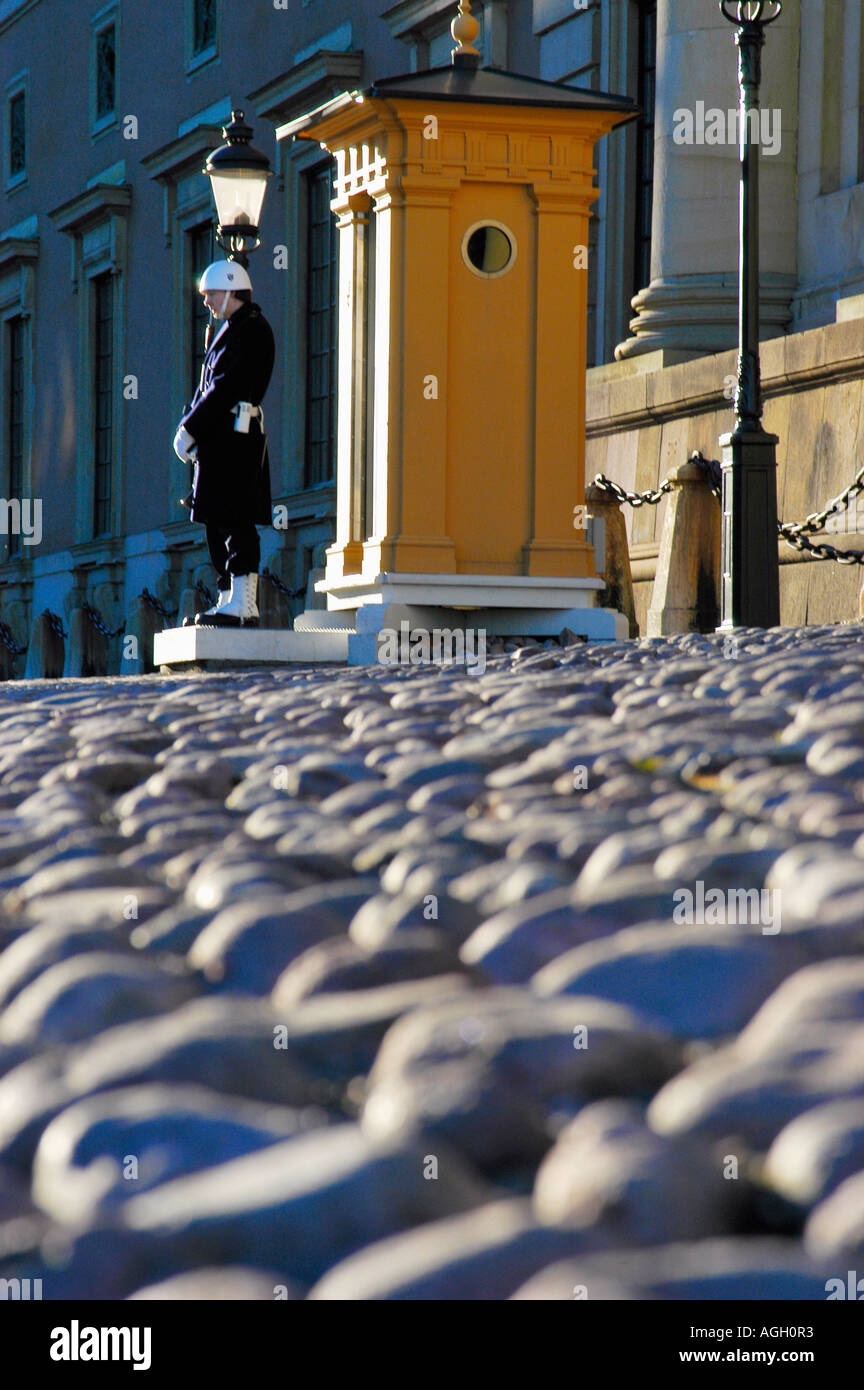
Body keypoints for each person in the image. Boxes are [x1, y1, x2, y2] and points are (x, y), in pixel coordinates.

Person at [173, 260, 274, 627]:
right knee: (216, 518)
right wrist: (196, 429)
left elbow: (225, 387)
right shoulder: (231, 330)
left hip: (236, 436)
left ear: (233, 291)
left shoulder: (251, 329)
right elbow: (210, 389)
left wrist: (191, 427)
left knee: (236, 518)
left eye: (212, 294)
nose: (208, 303)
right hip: (221, 437)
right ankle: (228, 597)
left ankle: (244, 604)